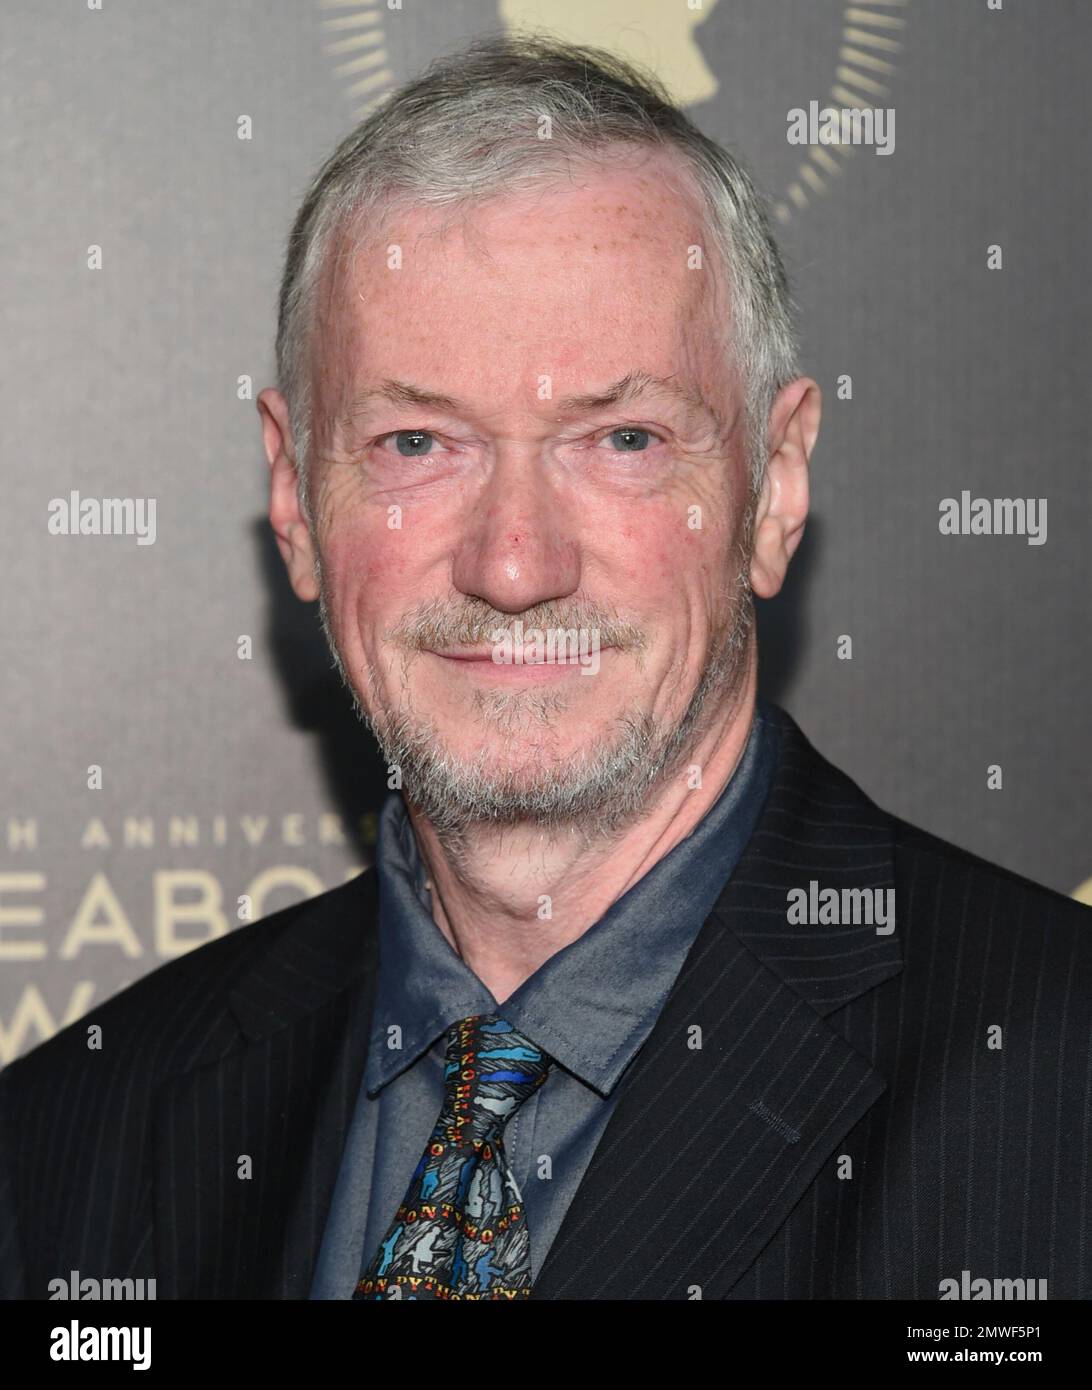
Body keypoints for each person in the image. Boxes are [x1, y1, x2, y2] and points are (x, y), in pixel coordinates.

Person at [2, 34, 1089, 1303]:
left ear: (775, 487)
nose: (515, 565)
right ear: (295, 497)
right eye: (418, 441)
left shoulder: (1057, 1093)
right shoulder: (65, 1141)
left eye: (621, 438)